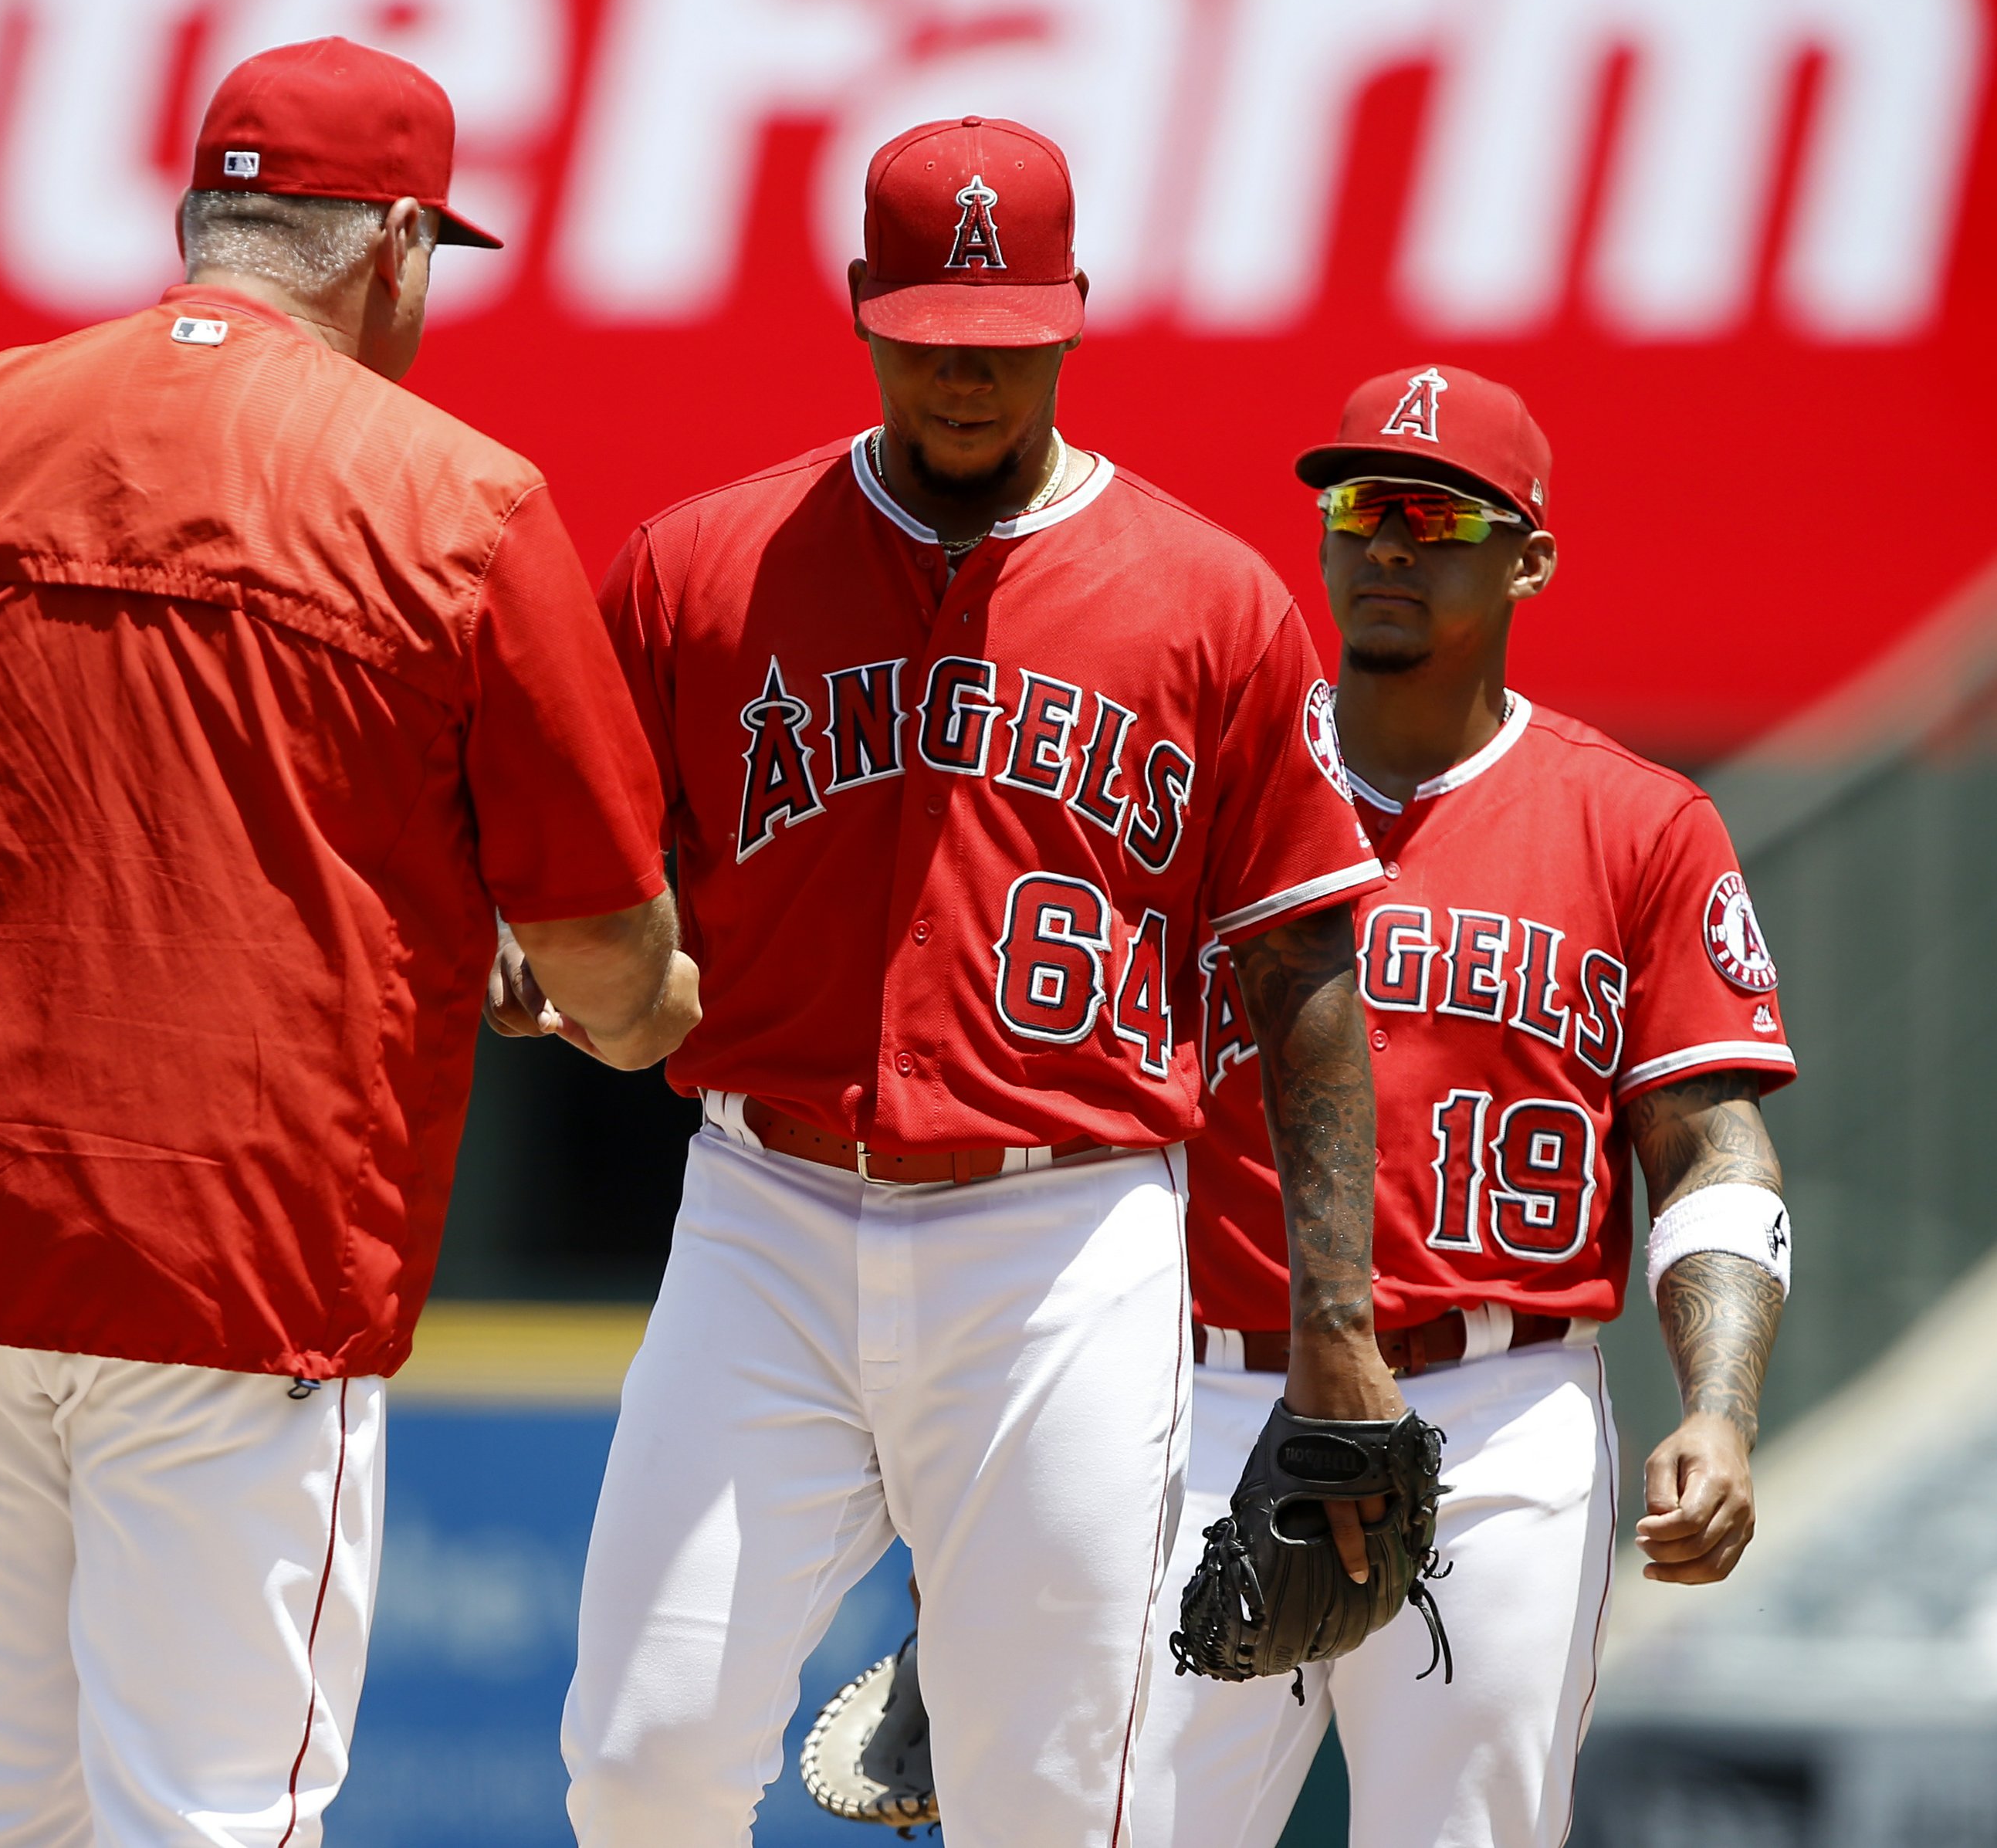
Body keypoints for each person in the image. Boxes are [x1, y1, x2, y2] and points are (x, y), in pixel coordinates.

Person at [0, 36, 695, 1847]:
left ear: (208, 218)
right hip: (236, 1252)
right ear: (399, 249)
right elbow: (604, 942)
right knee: (213, 1816)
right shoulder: (458, 496)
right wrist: (641, 1006)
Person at [496, 116, 1399, 1848]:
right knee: (641, 1754)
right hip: (766, 1209)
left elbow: (1301, 965)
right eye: (927, 340)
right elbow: (578, 879)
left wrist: (1333, 1323)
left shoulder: (1210, 599)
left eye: (1003, 346)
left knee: (1056, 1797)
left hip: (1061, 1243)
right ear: (857, 307)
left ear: (1073, 321)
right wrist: (537, 954)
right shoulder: (704, 569)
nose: (966, 381)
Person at [1132, 366, 1796, 1848]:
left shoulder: (1637, 822)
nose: (1387, 544)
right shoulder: (1209, 795)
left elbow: (1713, 1146)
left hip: (1500, 1416)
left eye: (1438, 514)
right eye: (1362, 506)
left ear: (1531, 559)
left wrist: (1723, 1406)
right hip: (1205, 1393)